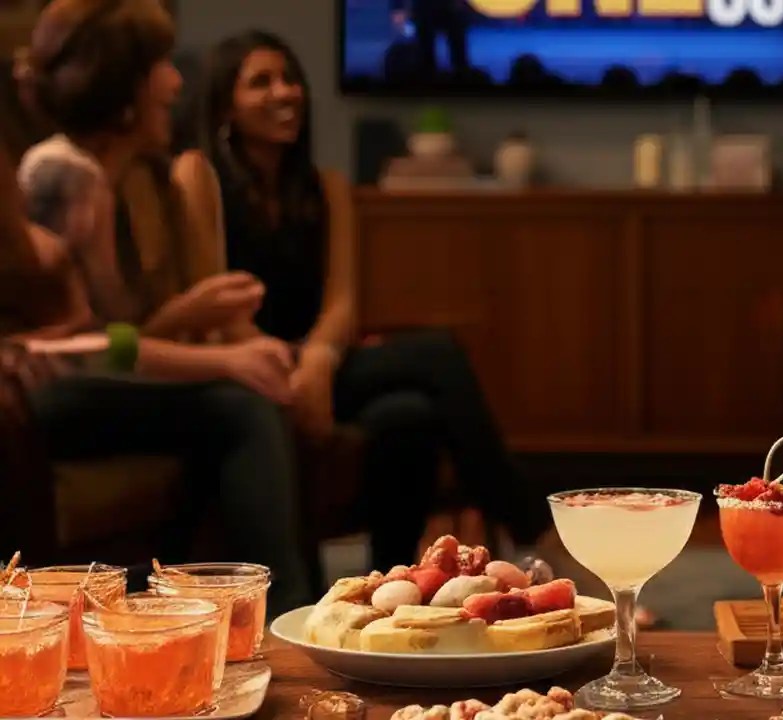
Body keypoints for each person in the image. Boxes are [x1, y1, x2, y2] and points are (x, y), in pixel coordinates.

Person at [172, 30, 547, 571]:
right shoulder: (197, 174)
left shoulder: (327, 186)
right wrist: (287, 367)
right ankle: (532, 531)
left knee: (409, 416)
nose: (285, 93)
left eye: (290, 79)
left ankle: (390, 580)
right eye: (261, 82)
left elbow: (342, 305)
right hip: (245, 369)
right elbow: (217, 302)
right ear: (225, 102)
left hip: (318, 369)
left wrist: (317, 363)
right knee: (437, 354)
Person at [11, 0, 312, 613]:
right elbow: (83, 348)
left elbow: (120, 336)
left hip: (85, 383)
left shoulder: (110, 177)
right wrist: (223, 363)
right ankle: (286, 617)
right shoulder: (61, 173)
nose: (177, 82)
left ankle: (198, 615)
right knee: (238, 406)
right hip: (40, 395)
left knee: (235, 416)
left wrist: (199, 318)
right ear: (123, 88)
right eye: (160, 66)